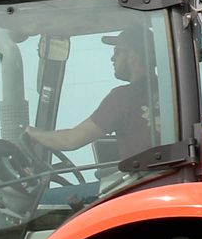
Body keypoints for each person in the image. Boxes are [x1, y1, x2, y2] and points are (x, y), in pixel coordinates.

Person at [21, 28, 162, 167]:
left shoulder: (123, 98)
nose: (112, 59)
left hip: (146, 181)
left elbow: (70, 140)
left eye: (117, 52)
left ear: (133, 55)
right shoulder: (168, 90)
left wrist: (32, 133)